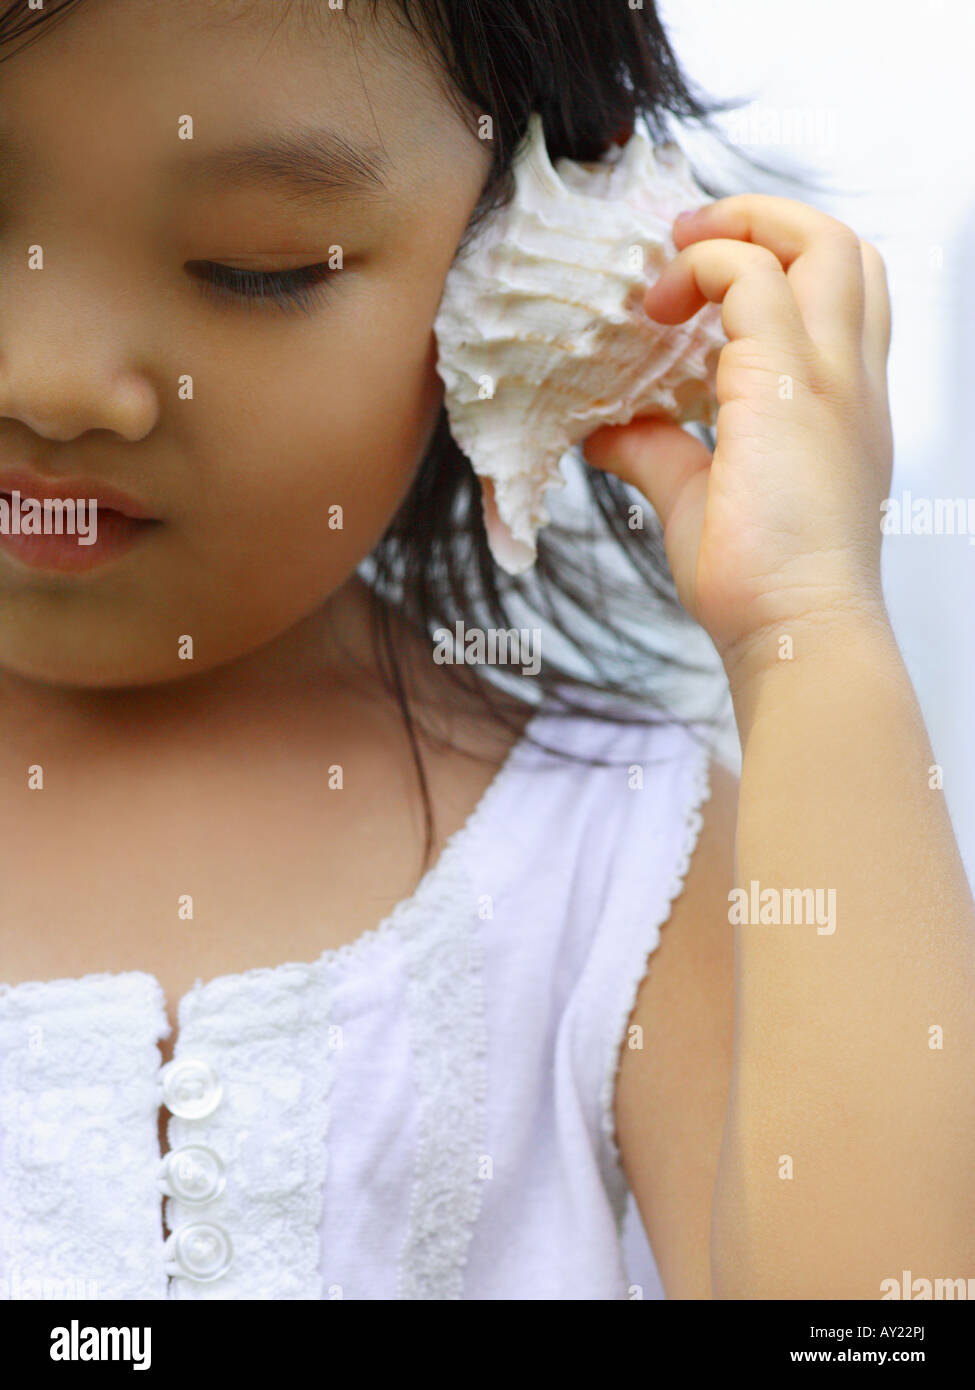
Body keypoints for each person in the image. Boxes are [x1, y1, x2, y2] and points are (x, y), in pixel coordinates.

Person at [0, 0, 971, 1302]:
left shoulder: (619, 858)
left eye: (257, 264)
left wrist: (808, 632)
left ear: (511, 242)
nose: (51, 379)